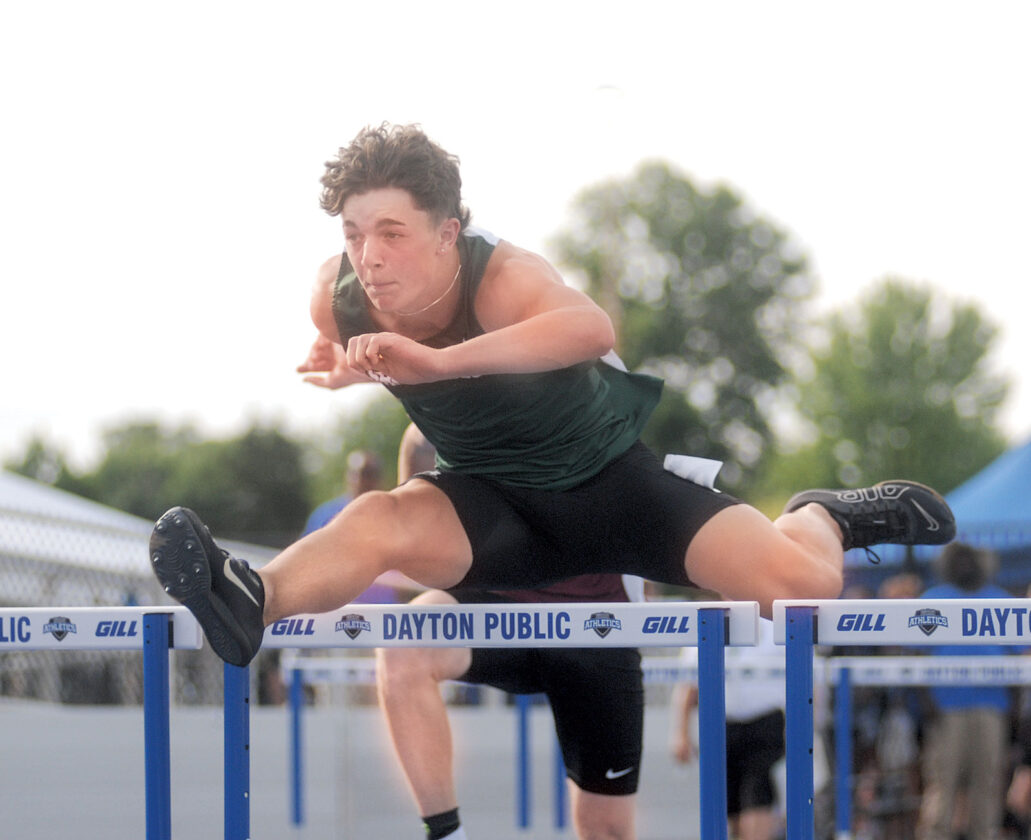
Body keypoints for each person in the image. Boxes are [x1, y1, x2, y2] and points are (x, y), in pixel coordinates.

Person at [147, 121, 957, 675]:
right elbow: (379, 351)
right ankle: (252, 596)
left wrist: (432, 364)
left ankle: (823, 516)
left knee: (799, 590)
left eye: (390, 232)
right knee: (376, 519)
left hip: (609, 489)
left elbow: (587, 326)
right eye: (353, 233)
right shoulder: (337, 296)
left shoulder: (502, 276)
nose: (369, 255)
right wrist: (358, 367)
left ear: (446, 229)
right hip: (487, 506)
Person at [377, 424, 645, 840]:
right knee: (406, 639)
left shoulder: (587, 403)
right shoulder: (434, 421)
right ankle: (445, 832)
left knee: (604, 829)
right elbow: (415, 489)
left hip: (598, 627)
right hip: (504, 610)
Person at [915, 542, 1013, 840]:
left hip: (992, 705)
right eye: (958, 560)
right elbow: (916, 657)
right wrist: (926, 705)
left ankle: (984, 833)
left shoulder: (1001, 600)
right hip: (946, 706)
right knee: (943, 779)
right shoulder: (933, 600)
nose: (965, 566)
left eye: (970, 559)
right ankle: (935, 834)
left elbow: (1017, 657)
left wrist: (1015, 712)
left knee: (988, 779)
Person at [672, 616, 786, 840]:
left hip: (765, 723)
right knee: (728, 802)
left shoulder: (774, 626)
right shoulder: (705, 623)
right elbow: (687, 686)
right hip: (721, 725)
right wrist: (680, 734)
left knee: (758, 794)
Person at [302, 449, 384, 536]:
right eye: (356, 473)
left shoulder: (388, 516)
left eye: (369, 474)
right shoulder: (324, 516)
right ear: (347, 476)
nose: (361, 480)